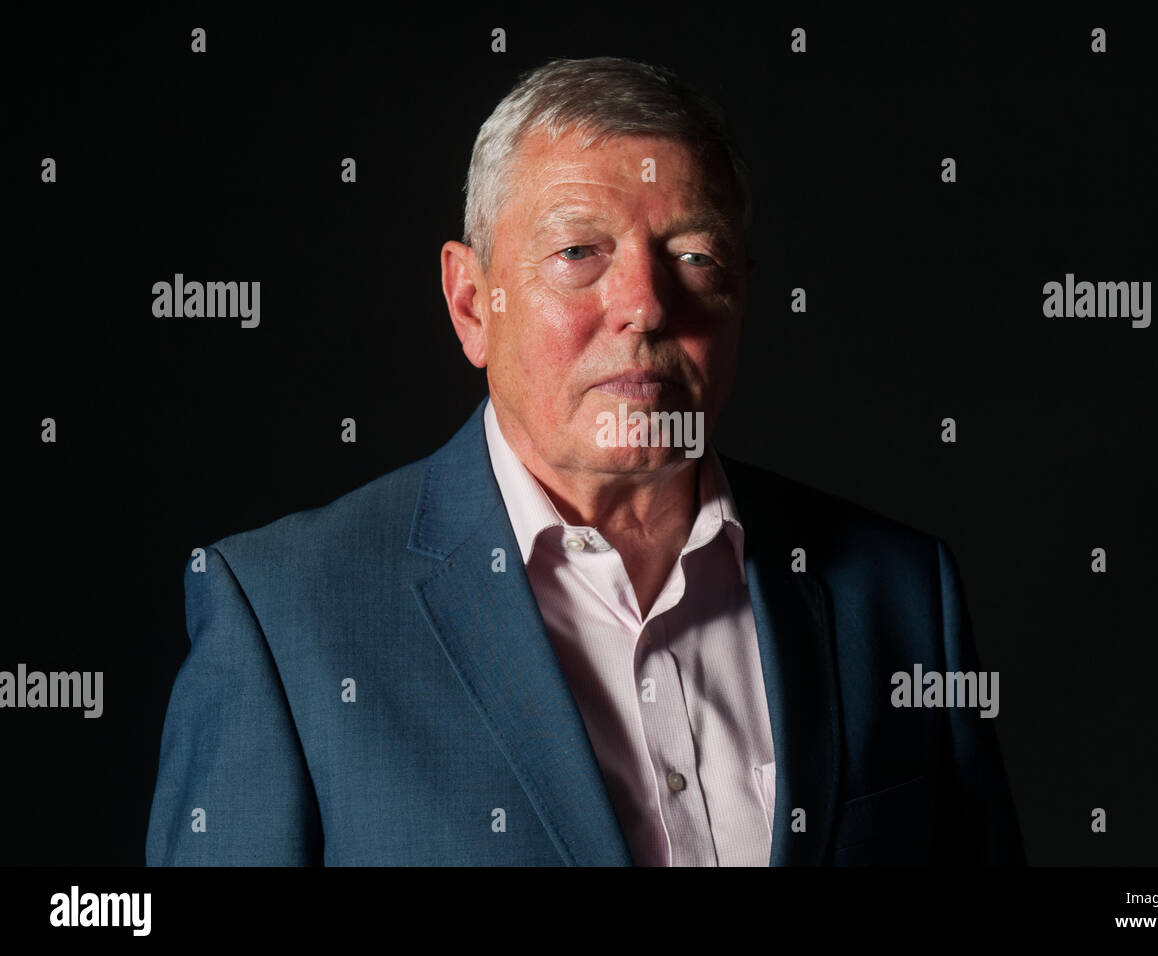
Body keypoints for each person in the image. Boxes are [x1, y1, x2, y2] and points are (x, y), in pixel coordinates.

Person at [146, 56, 1025, 866]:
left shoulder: (901, 594)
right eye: (578, 254)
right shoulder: (284, 615)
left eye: (694, 256)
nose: (644, 305)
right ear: (469, 303)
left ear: (742, 296)